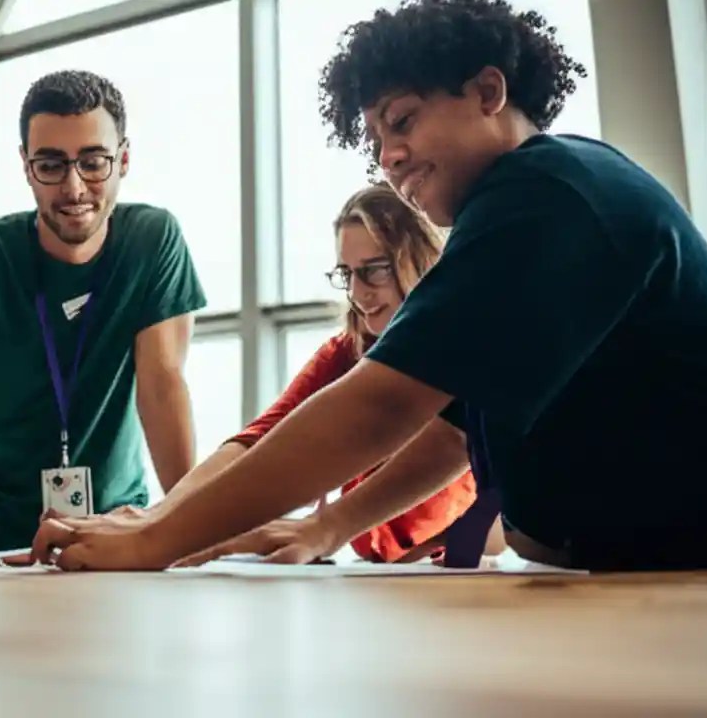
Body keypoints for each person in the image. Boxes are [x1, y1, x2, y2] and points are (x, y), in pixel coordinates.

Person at [31, 0, 707, 573]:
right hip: (670, 564)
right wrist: (328, 524)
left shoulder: (546, 195)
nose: (389, 156)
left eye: (403, 121)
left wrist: (159, 541)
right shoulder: (530, 207)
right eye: (376, 138)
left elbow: (381, 408)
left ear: (487, 91)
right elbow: (451, 427)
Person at [0, 70, 206, 551]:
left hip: (117, 534)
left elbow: (162, 383)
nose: (73, 187)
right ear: (26, 166)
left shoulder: (153, 242)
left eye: (93, 162)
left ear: (123, 159)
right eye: (50, 164)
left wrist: (188, 528)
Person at [161, 183, 486, 566]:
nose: (359, 292)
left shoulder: (470, 345)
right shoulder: (346, 352)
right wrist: (161, 519)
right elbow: (257, 438)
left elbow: (470, 481)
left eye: (374, 270)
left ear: (422, 256)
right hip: (377, 573)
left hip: (470, 568)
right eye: (347, 274)